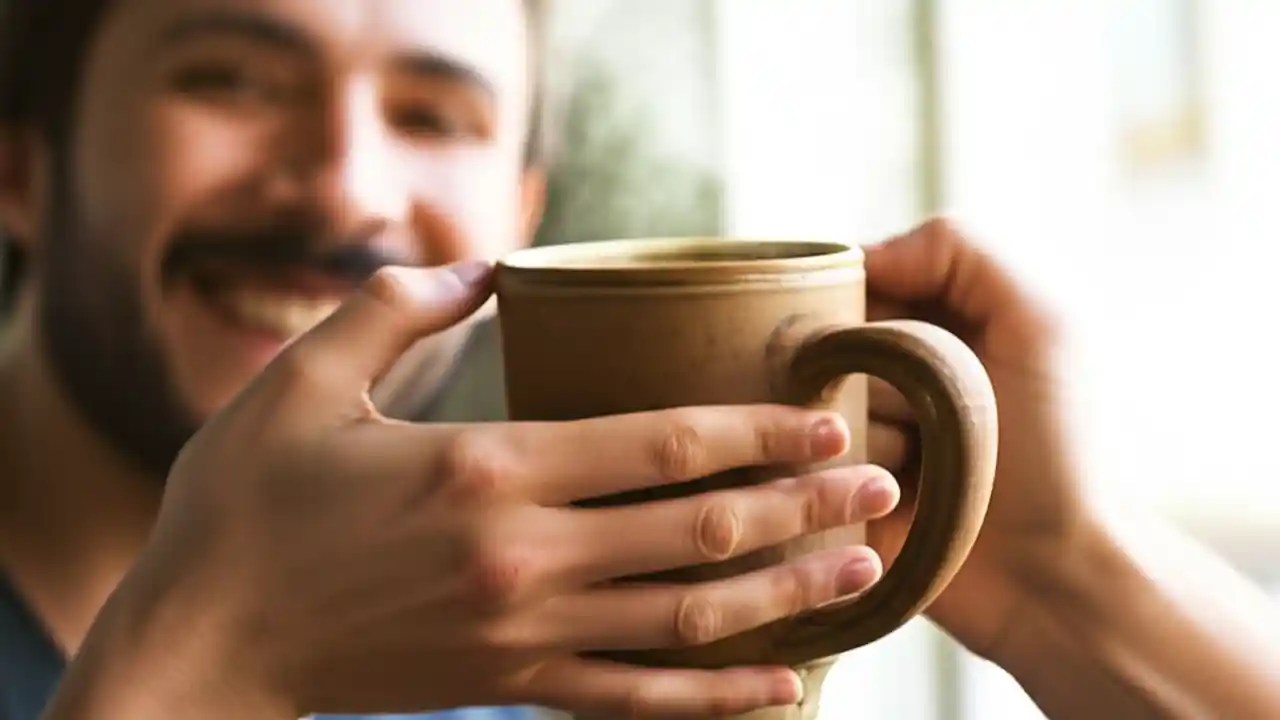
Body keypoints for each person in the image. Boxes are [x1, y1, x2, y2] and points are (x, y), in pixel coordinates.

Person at [0, 1, 1276, 719]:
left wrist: (1063, 582)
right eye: (227, 79)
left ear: (518, 215)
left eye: (433, 115)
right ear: (22, 165)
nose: (346, 187)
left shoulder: (545, 665)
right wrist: (210, 652)